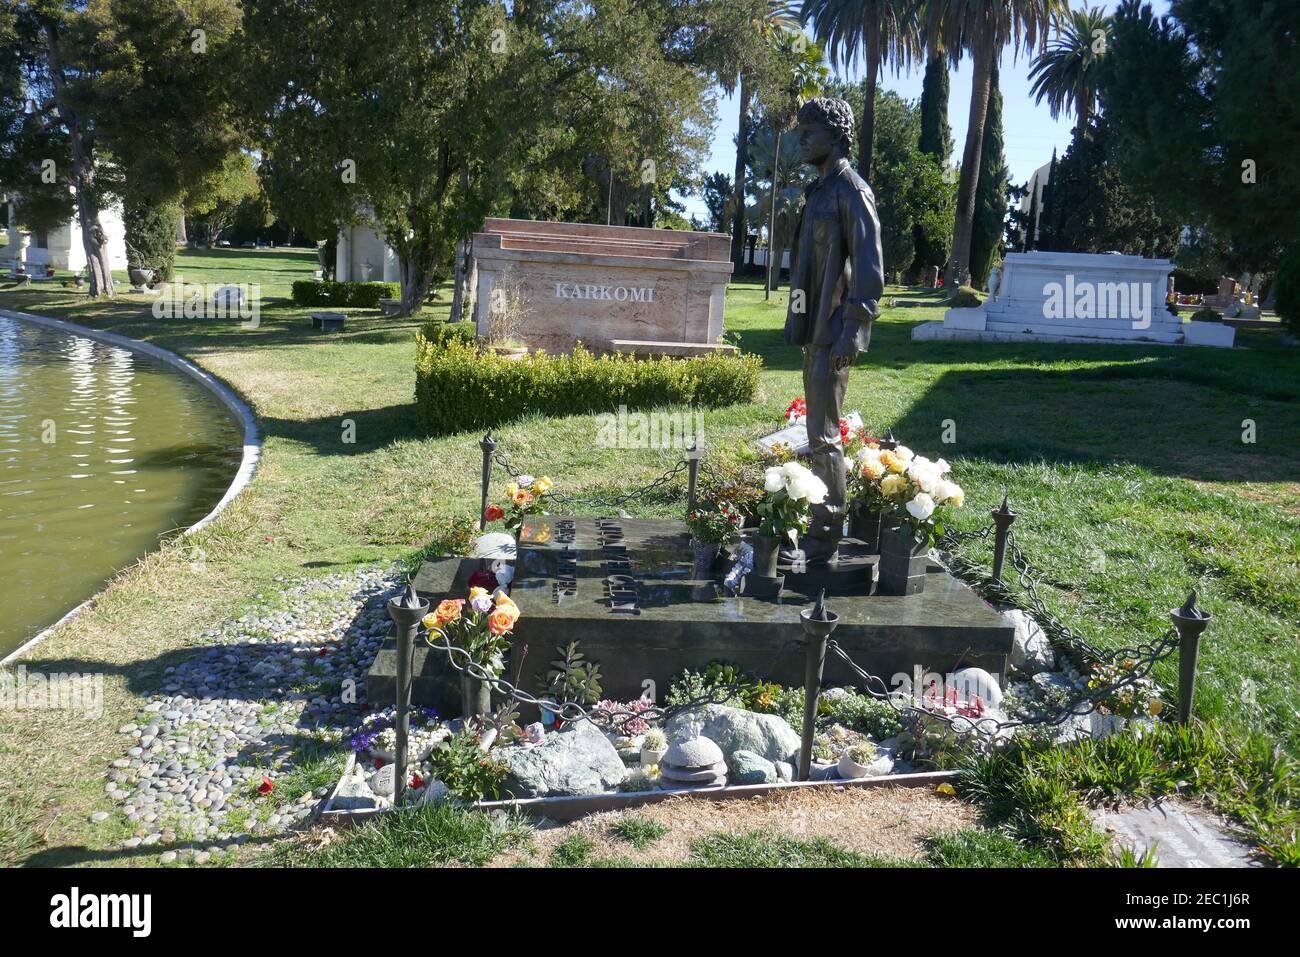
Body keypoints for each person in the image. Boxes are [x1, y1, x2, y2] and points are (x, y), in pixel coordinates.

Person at [783, 97, 885, 565]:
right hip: (816, 329)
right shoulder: (817, 192)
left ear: (837, 135)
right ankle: (820, 519)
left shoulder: (852, 191)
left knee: (825, 433)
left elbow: (868, 268)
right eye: (801, 130)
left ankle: (827, 530)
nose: (802, 139)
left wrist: (854, 331)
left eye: (811, 131)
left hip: (836, 331)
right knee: (816, 430)